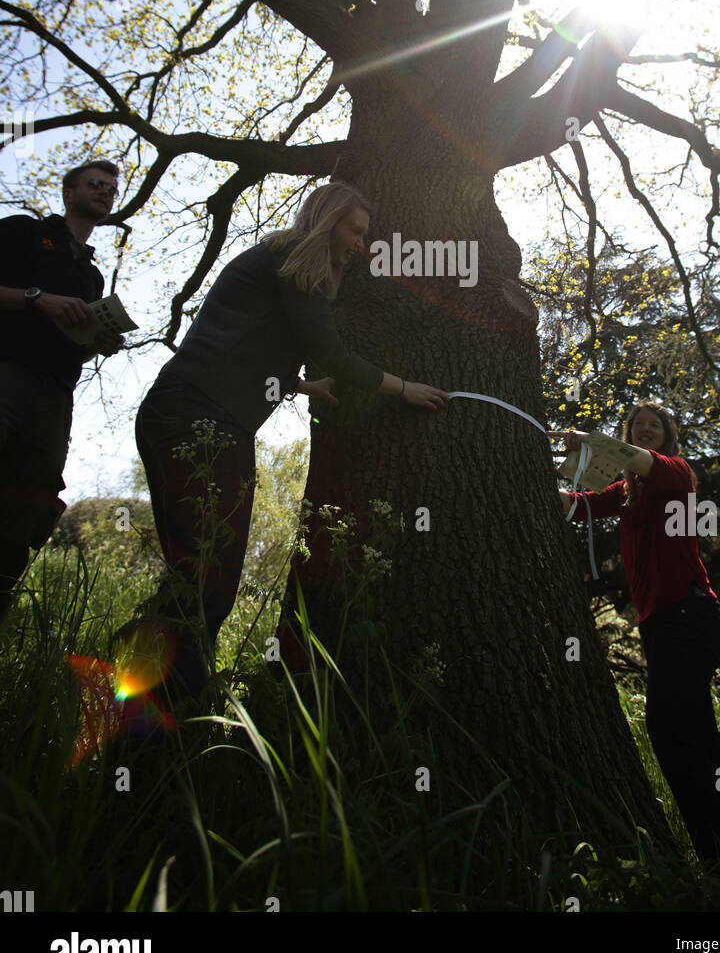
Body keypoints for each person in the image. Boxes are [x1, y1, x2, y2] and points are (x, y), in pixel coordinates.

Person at [128, 180, 449, 713]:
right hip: (196, 415)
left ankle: (163, 706)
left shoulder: (277, 264)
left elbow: (248, 340)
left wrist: (302, 386)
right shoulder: (294, 261)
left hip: (203, 415)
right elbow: (327, 347)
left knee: (205, 570)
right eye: (355, 230)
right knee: (206, 572)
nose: (360, 244)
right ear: (327, 220)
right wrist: (402, 387)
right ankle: (152, 711)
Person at [556, 400, 720, 895]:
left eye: (655, 425)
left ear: (667, 437)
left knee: (675, 735)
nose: (647, 430)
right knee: (695, 736)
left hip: (688, 616)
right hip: (665, 625)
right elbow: (574, 506)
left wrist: (592, 441)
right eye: (638, 425)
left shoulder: (675, 473)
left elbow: (639, 460)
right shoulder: (626, 491)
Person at [0, 160, 124, 623]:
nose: (106, 193)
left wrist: (99, 343)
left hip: (54, 402)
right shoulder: (23, 234)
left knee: (24, 512)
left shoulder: (92, 279)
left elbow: (75, 344)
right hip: (7, 374)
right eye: (96, 184)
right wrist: (37, 298)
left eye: (112, 189)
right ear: (69, 192)